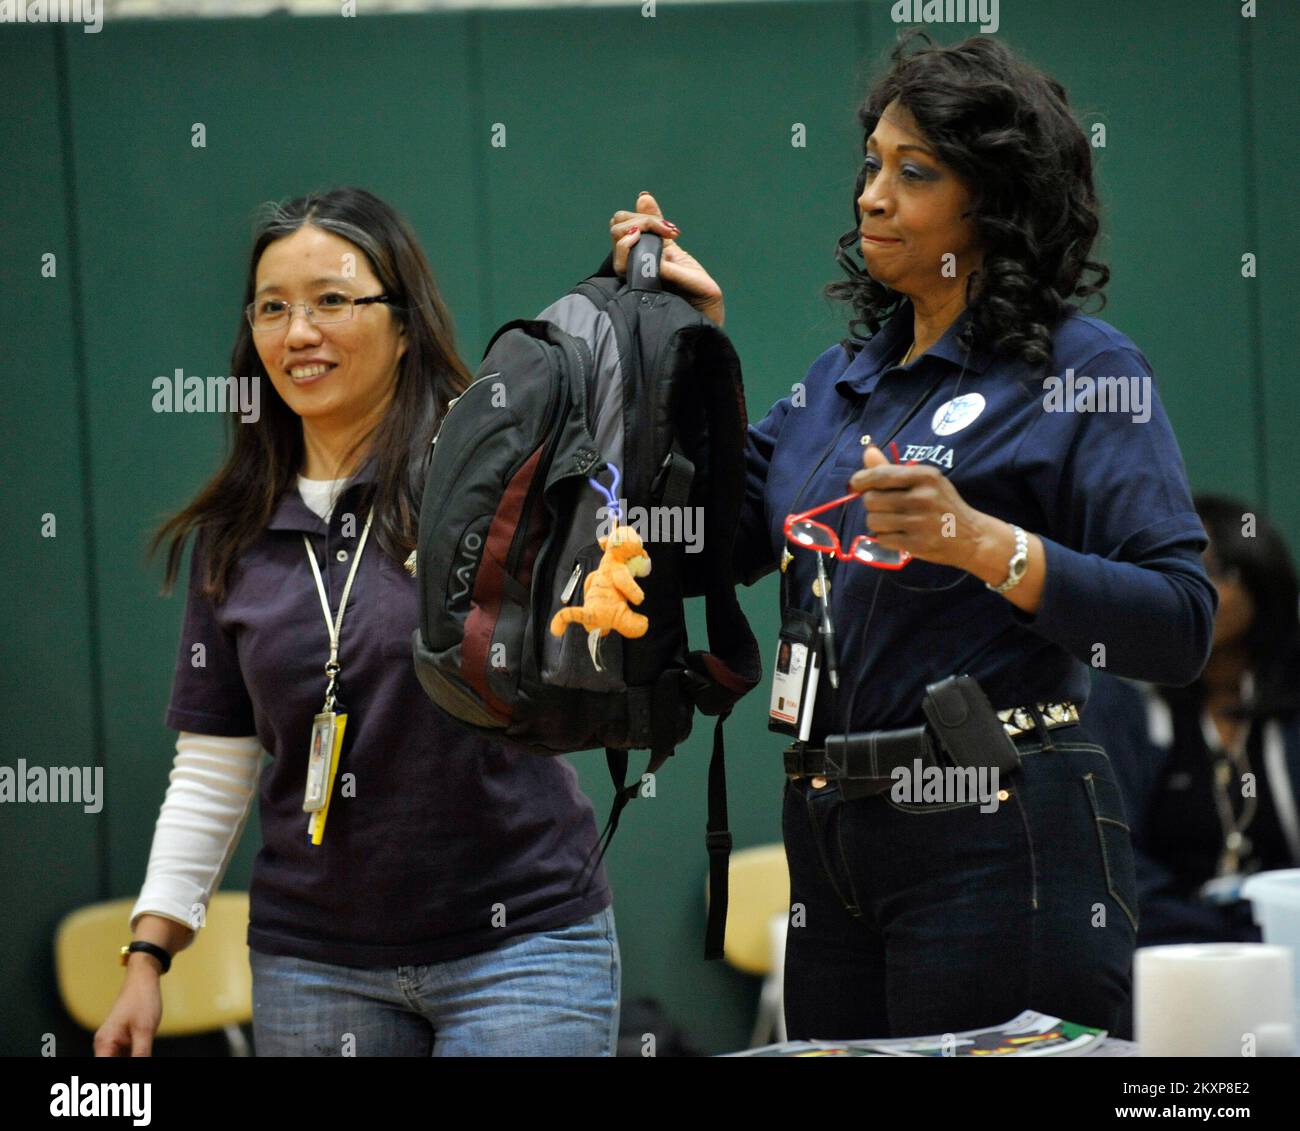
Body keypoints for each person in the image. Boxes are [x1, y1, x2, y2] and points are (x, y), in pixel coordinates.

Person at [607, 32, 1216, 1040]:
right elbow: (713, 551)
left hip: (999, 822)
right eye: (873, 165)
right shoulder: (839, 382)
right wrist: (690, 348)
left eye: (915, 173)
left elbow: (1179, 623)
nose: (871, 197)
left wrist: (984, 545)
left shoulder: (1080, 367)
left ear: (995, 205)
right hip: (826, 829)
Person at [94, 187, 619, 1057]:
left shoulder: (486, 484)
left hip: (521, 943)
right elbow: (214, 768)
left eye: (332, 301)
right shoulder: (233, 537)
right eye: (273, 308)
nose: (299, 334)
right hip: (317, 965)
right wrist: (149, 954)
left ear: (404, 323)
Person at [1086, 492, 1300, 948]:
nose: (1194, 593)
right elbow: (1115, 865)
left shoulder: (1289, 699)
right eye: (1171, 577)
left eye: (1215, 573)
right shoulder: (1122, 703)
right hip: (1170, 949)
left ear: (1262, 583)